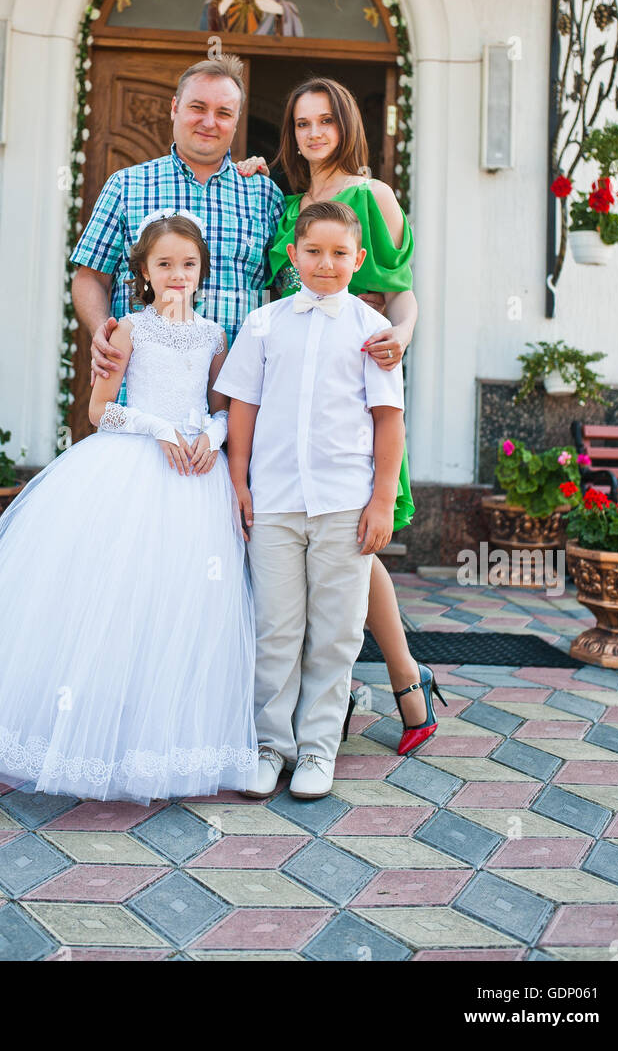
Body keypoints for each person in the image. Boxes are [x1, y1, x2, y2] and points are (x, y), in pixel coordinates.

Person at [0, 211, 258, 803]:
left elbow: (222, 408)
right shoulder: (125, 330)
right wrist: (160, 428)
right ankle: (84, 737)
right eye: (164, 264)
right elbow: (99, 413)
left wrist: (211, 440)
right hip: (130, 466)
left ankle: (154, 741)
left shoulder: (216, 336)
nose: (176, 275)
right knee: (110, 601)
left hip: (195, 484)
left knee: (179, 609)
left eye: (188, 265)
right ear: (142, 271)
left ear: (202, 272)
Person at [238, 77, 444, 754]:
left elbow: (401, 293)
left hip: (356, 385)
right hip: (288, 388)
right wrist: (248, 174)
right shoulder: (289, 203)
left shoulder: (371, 194)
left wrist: (404, 335)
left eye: (325, 120)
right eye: (301, 123)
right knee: (332, 542)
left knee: (357, 536)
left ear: (346, 125)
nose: (314, 133)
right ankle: (376, 686)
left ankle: (402, 682)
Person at [215, 201, 439, 801]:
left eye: (340, 253)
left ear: (359, 260)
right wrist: (239, 482)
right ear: (292, 255)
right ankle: (269, 745)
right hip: (277, 502)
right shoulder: (263, 325)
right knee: (276, 627)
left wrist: (383, 502)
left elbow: (388, 423)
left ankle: (317, 749)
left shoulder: (373, 333)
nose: (325, 263)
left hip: (344, 502)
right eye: (313, 251)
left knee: (336, 632)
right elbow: (243, 409)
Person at [71, 53, 284, 398]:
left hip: (237, 398)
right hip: (142, 396)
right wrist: (101, 329)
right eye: (198, 107)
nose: (209, 122)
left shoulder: (265, 196)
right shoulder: (127, 186)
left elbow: (285, 287)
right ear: (174, 108)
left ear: (236, 120)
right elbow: (90, 276)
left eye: (224, 113)